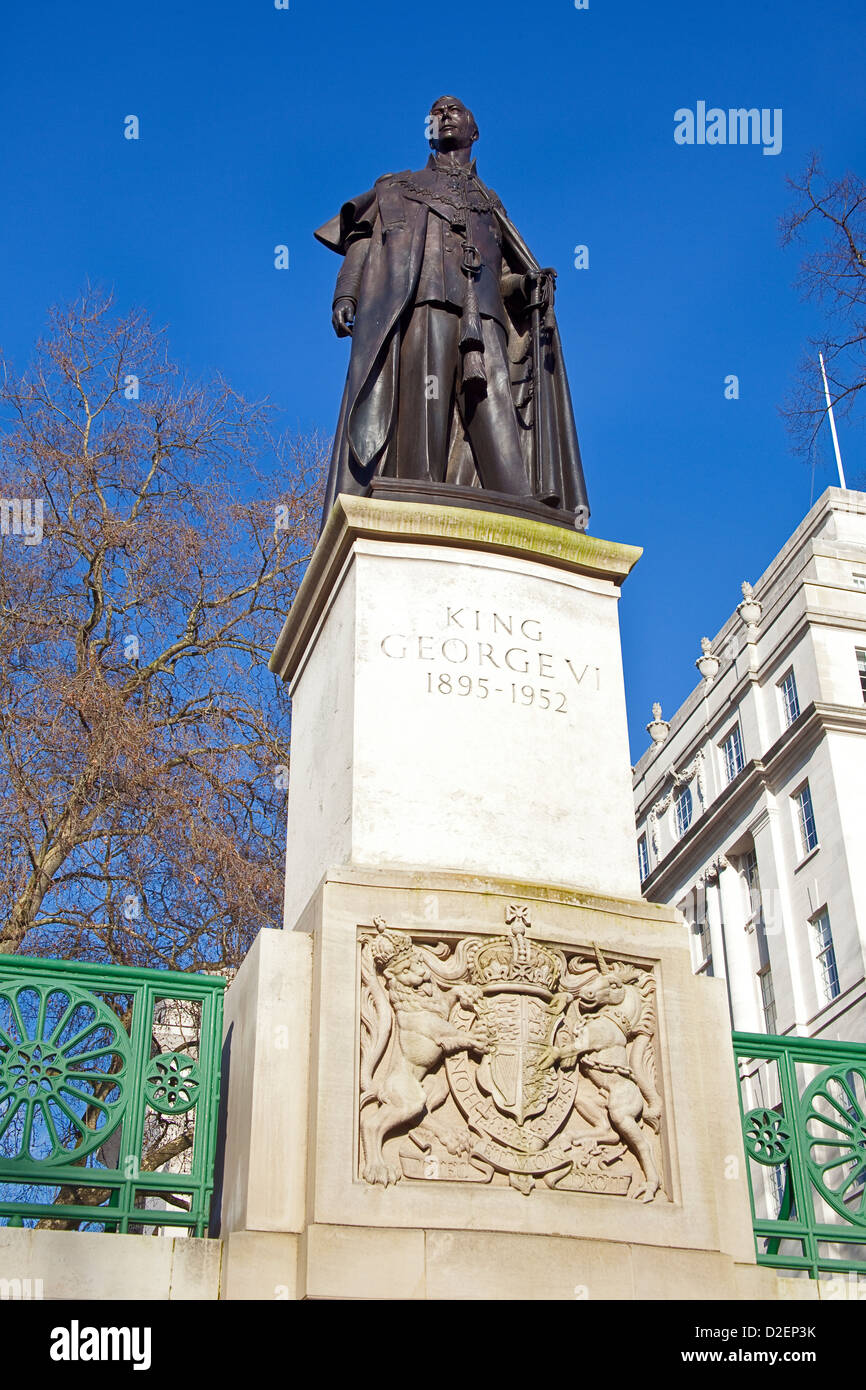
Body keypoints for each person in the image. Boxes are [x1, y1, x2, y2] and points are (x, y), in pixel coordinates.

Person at [315, 96, 590, 528]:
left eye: (456, 110)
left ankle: (518, 505)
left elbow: (503, 275)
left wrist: (528, 284)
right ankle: (419, 501)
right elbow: (363, 239)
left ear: (475, 132)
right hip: (426, 303)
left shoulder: (490, 203)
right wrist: (345, 294)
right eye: (437, 111)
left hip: (487, 322)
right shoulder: (400, 185)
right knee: (427, 410)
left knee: (496, 415)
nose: (445, 114)